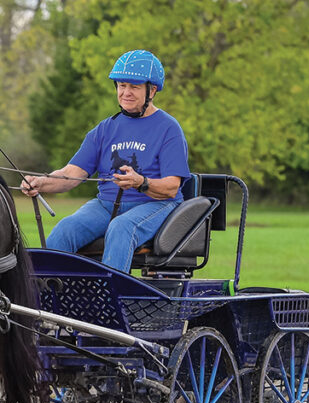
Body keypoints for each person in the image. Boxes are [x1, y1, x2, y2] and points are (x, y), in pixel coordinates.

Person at [21, 50, 190, 272]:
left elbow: (171, 187)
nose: (125, 92)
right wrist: (42, 182)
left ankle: (111, 300)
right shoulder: (104, 129)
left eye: (134, 87)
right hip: (106, 205)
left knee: (122, 227)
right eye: (121, 86)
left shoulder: (169, 128)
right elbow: (72, 173)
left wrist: (140, 182)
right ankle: (52, 298)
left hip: (154, 204)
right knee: (65, 230)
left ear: (152, 90)